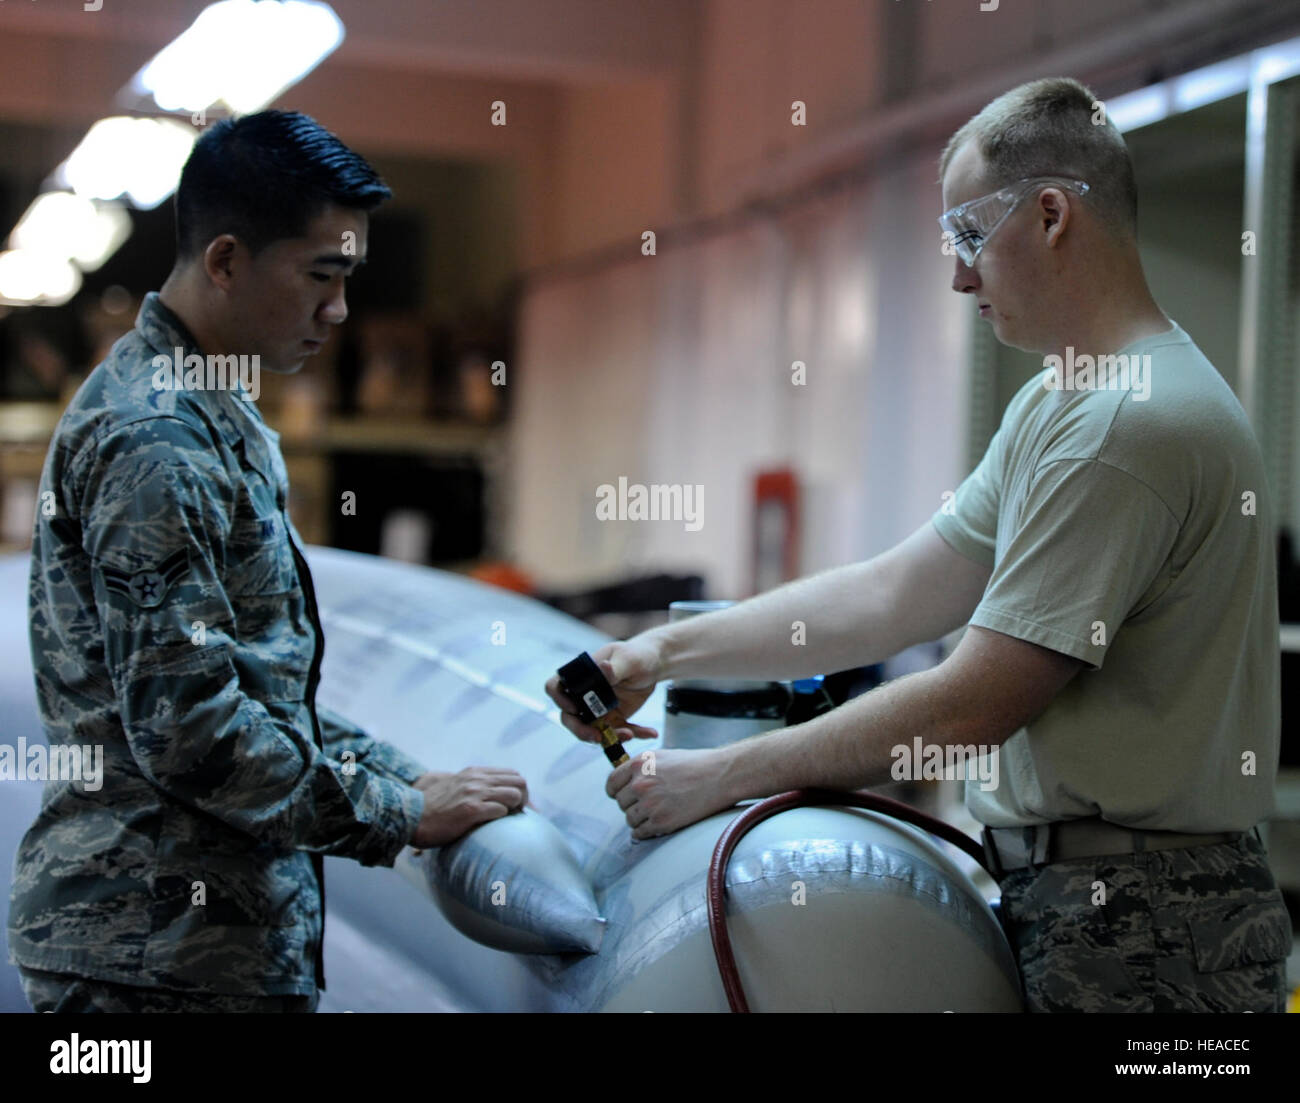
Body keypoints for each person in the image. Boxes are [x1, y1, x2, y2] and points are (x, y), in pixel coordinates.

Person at [546, 78, 1293, 1013]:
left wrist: (719, 776)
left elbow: (972, 706)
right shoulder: (1064, 400)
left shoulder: (1125, 426)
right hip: (1088, 900)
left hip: (1148, 932)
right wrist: (661, 651)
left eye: (970, 237)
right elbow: (894, 594)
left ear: (1053, 215)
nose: (959, 277)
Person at [9, 111, 527, 1013]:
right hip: (154, 965)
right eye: (320, 276)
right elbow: (194, 731)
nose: (339, 310)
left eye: (349, 277)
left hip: (199, 955)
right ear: (224, 261)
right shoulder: (157, 440)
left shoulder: (220, 415)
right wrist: (398, 813)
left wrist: (406, 776)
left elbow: (259, 693)